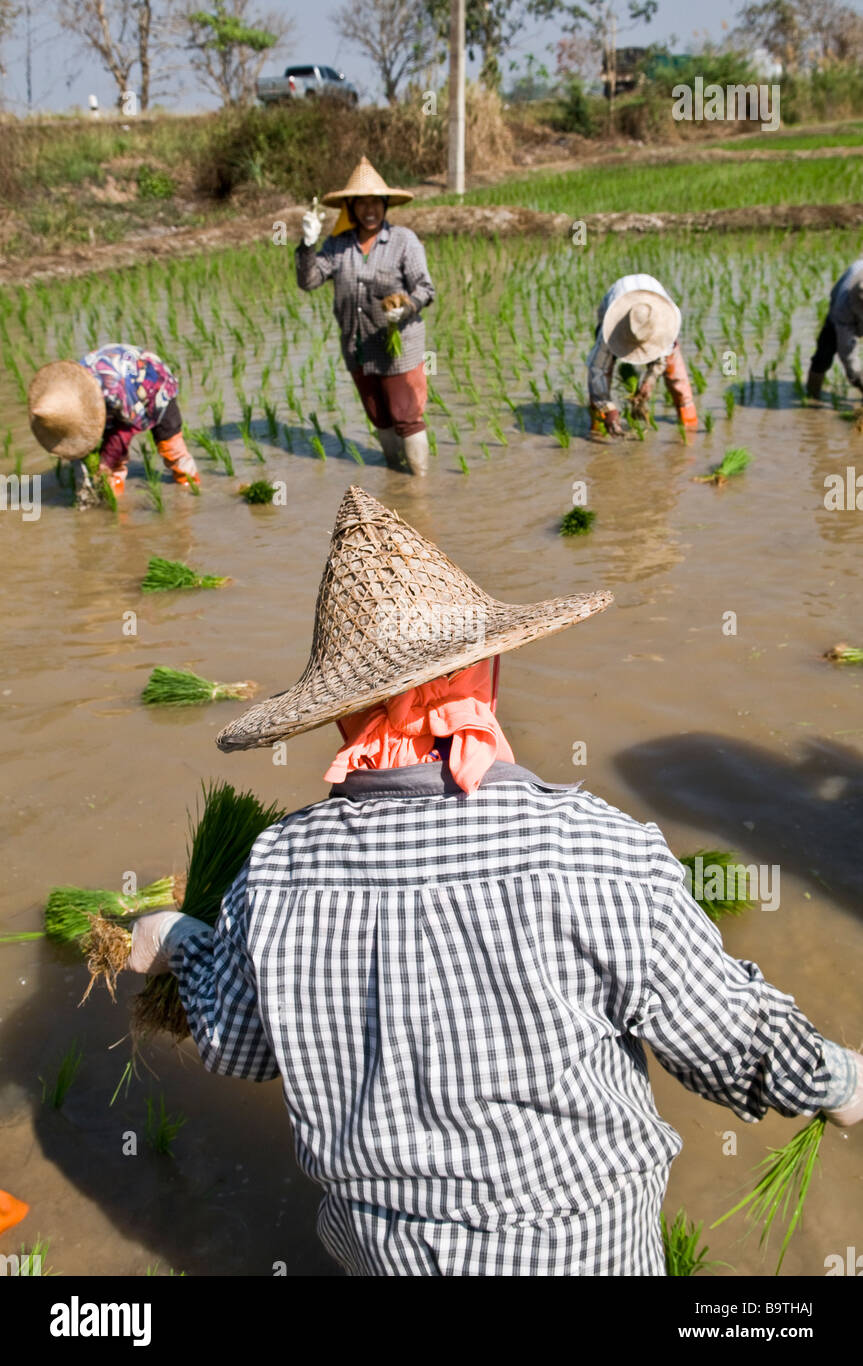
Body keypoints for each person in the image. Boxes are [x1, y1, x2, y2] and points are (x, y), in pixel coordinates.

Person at [127, 486, 862, 1278]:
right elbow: (725, 1036)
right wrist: (839, 1083)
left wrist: (183, 943)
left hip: (388, 1255)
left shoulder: (277, 869)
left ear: (340, 716)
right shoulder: (591, 846)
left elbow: (240, 1046)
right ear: (484, 680)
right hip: (586, 1252)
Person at [296, 157, 435, 476]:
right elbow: (309, 282)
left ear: (386, 205)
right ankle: (396, 480)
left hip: (398, 348)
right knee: (380, 417)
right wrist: (307, 244)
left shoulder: (403, 240)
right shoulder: (338, 244)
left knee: (406, 416)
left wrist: (407, 308)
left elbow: (425, 289)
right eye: (362, 203)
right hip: (357, 347)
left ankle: (419, 489)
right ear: (351, 207)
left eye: (376, 202)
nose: (369, 210)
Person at [28, 344, 199, 499]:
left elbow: (124, 431)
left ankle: (189, 484)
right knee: (113, 461)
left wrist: (105, 463)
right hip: (113, 397)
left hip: (153, 383)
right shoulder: (71, 389)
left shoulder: (113, 389)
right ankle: (113, 499)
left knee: (170, 445)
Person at [587, 274, 697, 439]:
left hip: (654, 298)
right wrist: (608, 409)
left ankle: (689, 425)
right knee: (604, 370)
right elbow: (596, 369)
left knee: (676, 374)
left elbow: (661, 360)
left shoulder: (665, 323)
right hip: (616, 303)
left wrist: (649, 382)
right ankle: (599, 427)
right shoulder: (610, 331)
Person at [807, 258, 863, 400]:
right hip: (841, 313)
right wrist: (859, 379)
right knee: (823, 354)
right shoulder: (843, 307)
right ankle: (812, 396)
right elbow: (847, 354)